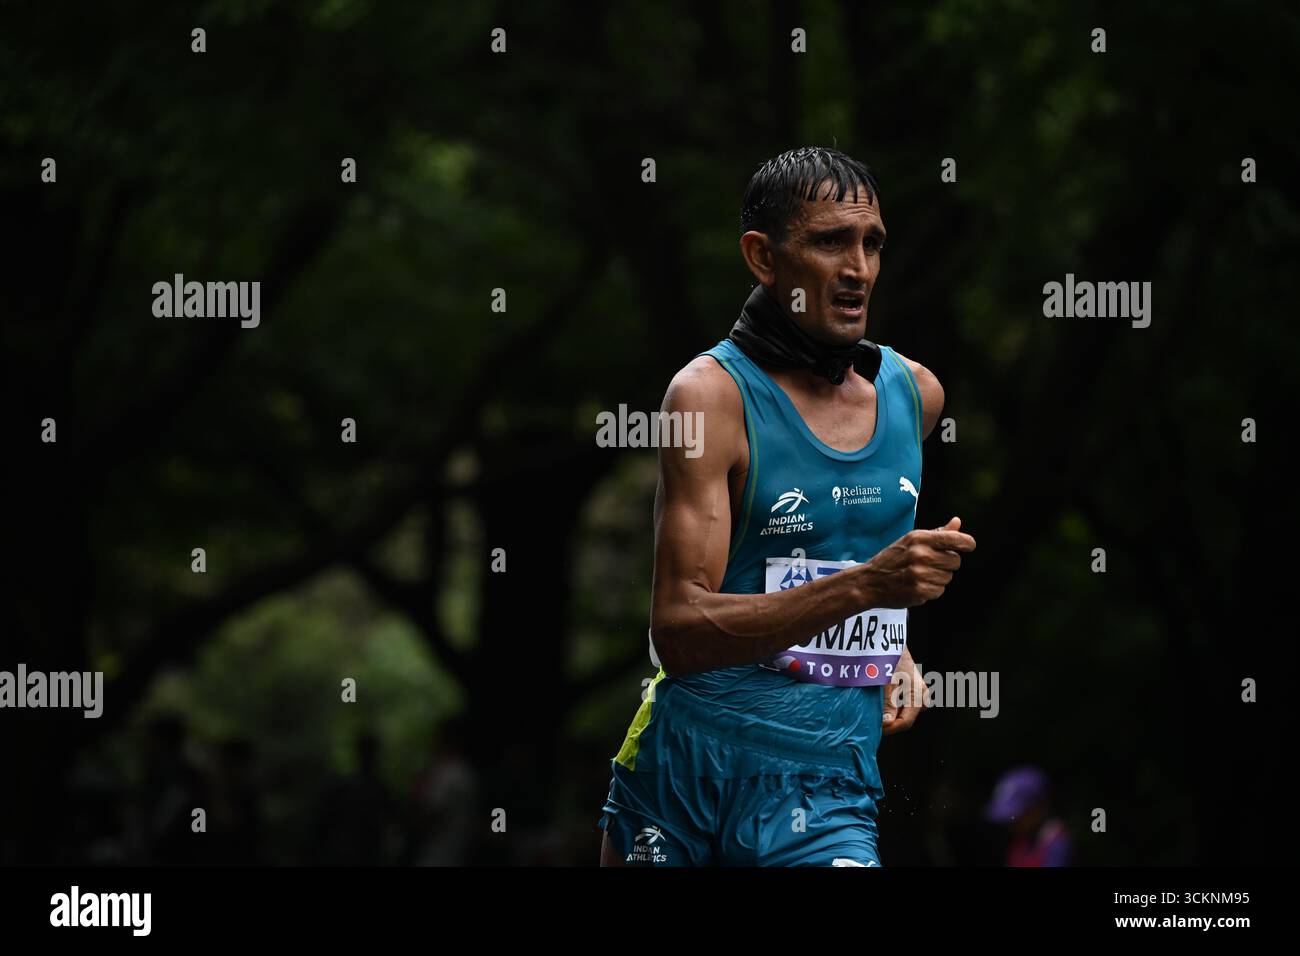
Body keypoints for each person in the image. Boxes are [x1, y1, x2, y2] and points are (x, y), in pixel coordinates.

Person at [597, 146, 975, 866]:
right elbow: (678, 629)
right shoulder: (709, 398)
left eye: (872, 243)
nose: (858, 268)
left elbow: (846, 554)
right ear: (763, 258)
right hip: (686, 782)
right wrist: (867, 589)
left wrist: (890, 642)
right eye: (830, 241)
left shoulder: (914, 395)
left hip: (828, 787)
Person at [985, 766, 1074, 867]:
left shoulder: (1056, 845)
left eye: (1016, 815)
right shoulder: (1021, 842)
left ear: (1039, 807)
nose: (1012, 822)